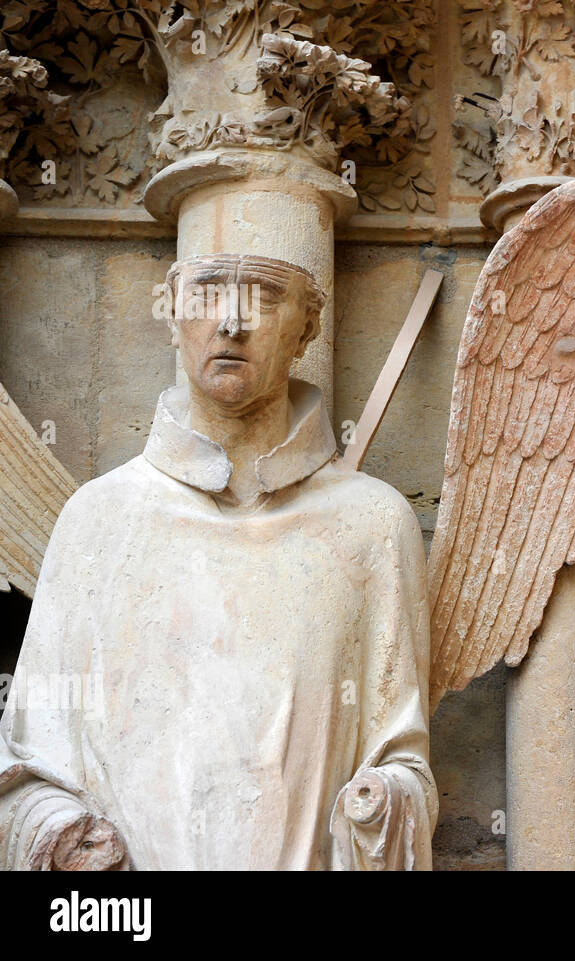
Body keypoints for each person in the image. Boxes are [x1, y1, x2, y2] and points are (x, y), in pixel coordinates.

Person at [0, 253, 436, 870]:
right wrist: (61, 834)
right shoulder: (98, 520)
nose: (231, 321)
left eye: (261, 297)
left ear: (306, 328)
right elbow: (26, 769)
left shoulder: (373, 524)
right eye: (207, 295)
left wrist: (380, 803)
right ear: (174, 316)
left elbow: (401, 761)